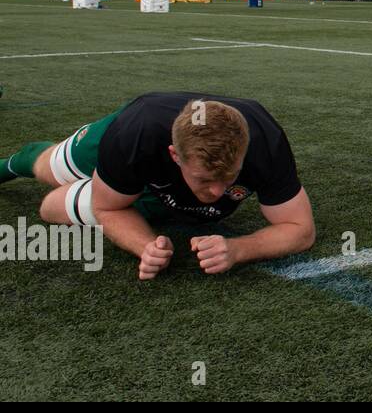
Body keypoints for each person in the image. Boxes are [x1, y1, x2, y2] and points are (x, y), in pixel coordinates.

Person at [0, 93, 315, 280]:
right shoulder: (135, 135)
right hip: (125, 143)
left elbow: (301, 229)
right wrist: (142, 245)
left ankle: (112, 189)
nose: (218, 193)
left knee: (51, 208)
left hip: (160, 188)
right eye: (206, 179)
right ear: (175, 156)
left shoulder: (265, 142)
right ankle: (13, 163)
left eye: (229, 177)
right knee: (53, 167)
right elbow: (107, 206)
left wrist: (239, 249)